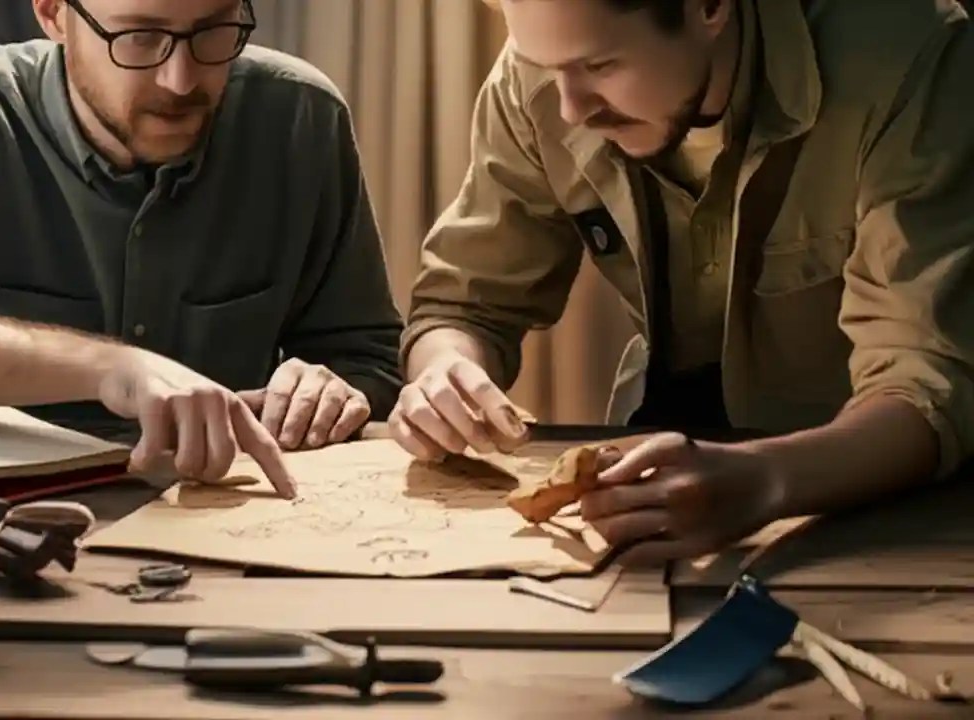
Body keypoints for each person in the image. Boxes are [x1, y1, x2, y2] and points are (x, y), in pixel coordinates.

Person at [392, 0, 974, 563]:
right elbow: (462, 305)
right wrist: (445, 372)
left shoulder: (907, 57)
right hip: (650, 486)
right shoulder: (540, 75)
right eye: (545, 66)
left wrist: (766, 481)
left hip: (876, 509)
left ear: (710, 7)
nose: (569, 110)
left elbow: (927, 389)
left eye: (601, 66)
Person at [0, 0, 406, 499]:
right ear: (53, 14)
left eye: (215, 31)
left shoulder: (301, 116)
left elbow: (365, 355)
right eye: (141, 38)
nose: (182, 80)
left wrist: (328, 391)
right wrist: (114, 370)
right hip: (11, 514)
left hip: (234, 511)